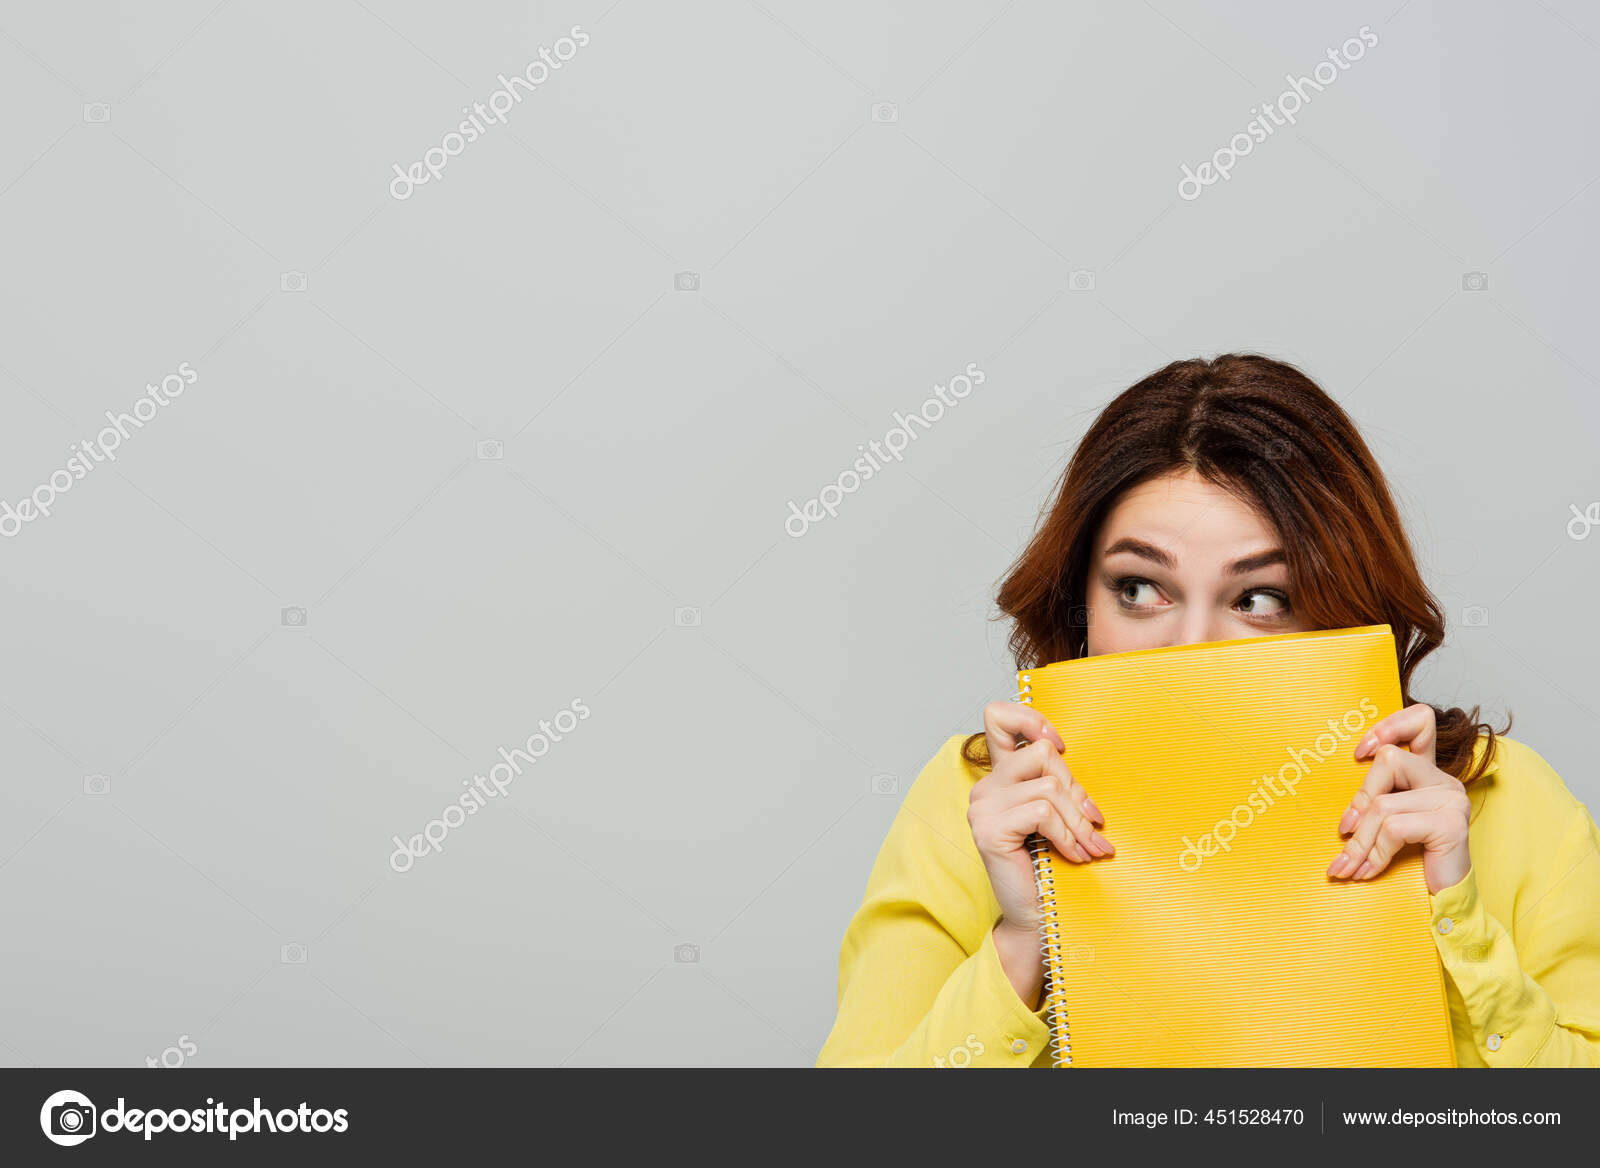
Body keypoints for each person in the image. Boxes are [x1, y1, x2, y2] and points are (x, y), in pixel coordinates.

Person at [817, 354, 1600, 1067]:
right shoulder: (971, 810)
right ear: (1079, 603)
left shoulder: (1503, 803)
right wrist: (1022, 948)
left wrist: (1455, 918)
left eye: (1258, 598)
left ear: (1340, 610)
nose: (1192, 645)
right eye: (1139, 588)